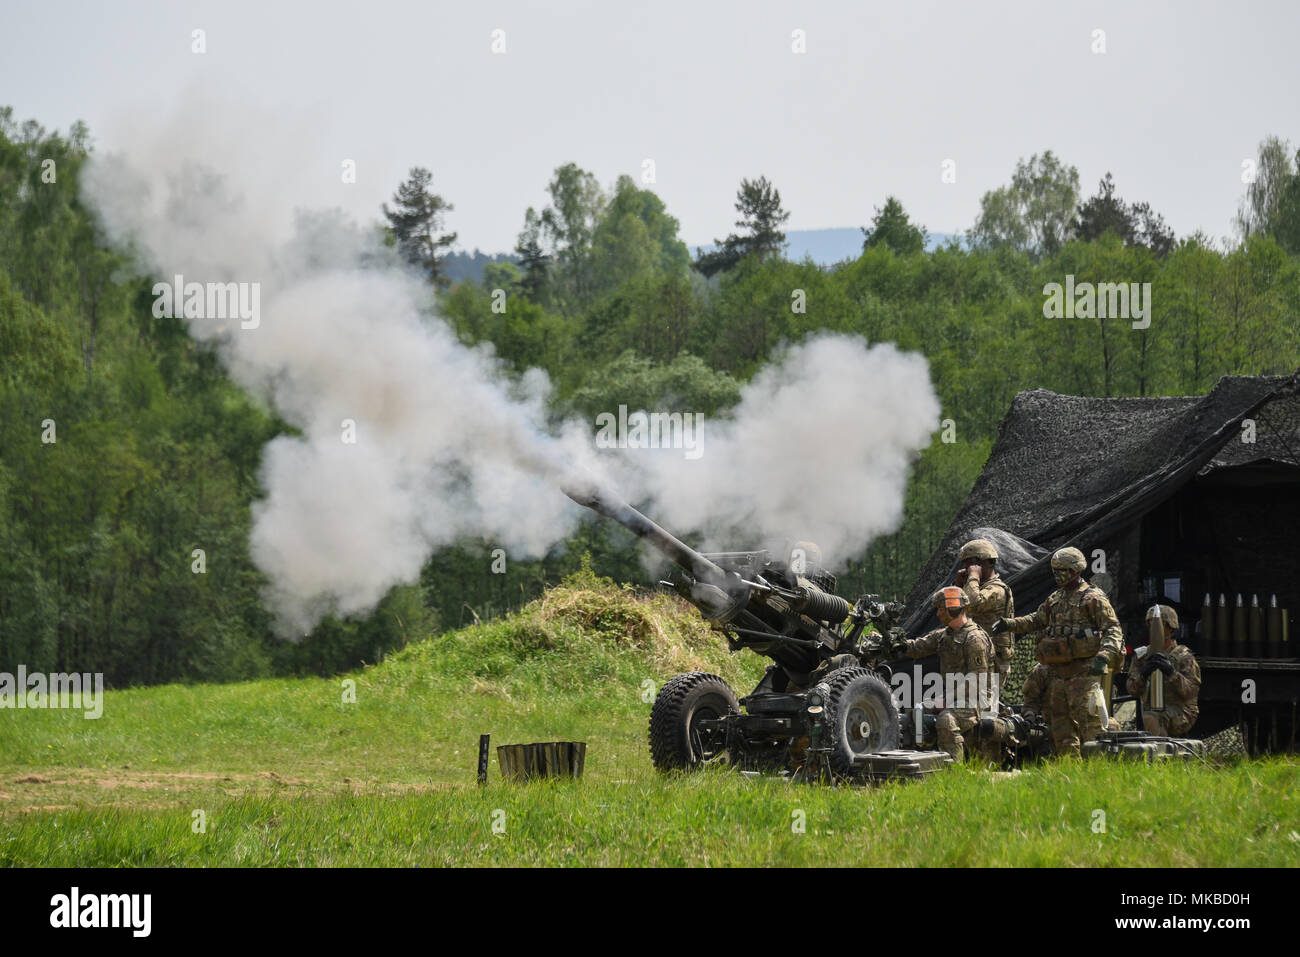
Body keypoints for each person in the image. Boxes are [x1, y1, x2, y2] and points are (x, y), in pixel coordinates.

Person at [992, 546, 1123, 757]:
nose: (1057, 575)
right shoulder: (1055, 599)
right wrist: (1009, 624)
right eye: (1055, 570)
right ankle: (1070, 769)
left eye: (1062, 570)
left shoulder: (1093, 598)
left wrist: (1105, 655)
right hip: (1058, 674)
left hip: (1085, 673)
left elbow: (1113, 629)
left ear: (1075, 571)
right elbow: (1036, 620)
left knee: (1091, 722)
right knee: (1059, 724)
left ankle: (1100, 768)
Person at [893, 587, 995, 764]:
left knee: (946, 719)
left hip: (976, 700)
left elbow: (977, 680)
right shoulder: (945, 635)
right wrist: (892, 642)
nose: (939, 614)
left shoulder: (974, 638)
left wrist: (945, 700)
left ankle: (954, 769)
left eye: (942, 609)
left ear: (955, 608)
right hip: (953, 698)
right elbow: (917, 647)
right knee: (915, 714)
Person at [955, 538, 1015, 704]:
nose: (967, 569)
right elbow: (955, 612)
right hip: (977, 656)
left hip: (993, 661)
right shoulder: (975, 588)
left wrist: (973, 577)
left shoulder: (997, 589)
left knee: (984, 707)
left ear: (985, 562)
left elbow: (973, 604)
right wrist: (959, 586)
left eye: (971, 564)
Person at [1126, 604, 1200, 736]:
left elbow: (1191, 692)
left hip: (1180, 712)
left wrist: (1171, 672)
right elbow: (1132, 690)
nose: (1152, 628)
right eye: (1150, 624)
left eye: (1158, 624)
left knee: (1152, 717)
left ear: (1170, 628)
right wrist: (1143, 675)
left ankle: (1159, 754)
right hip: (1151, 710)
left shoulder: (1183, 656)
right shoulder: (1142, 656)